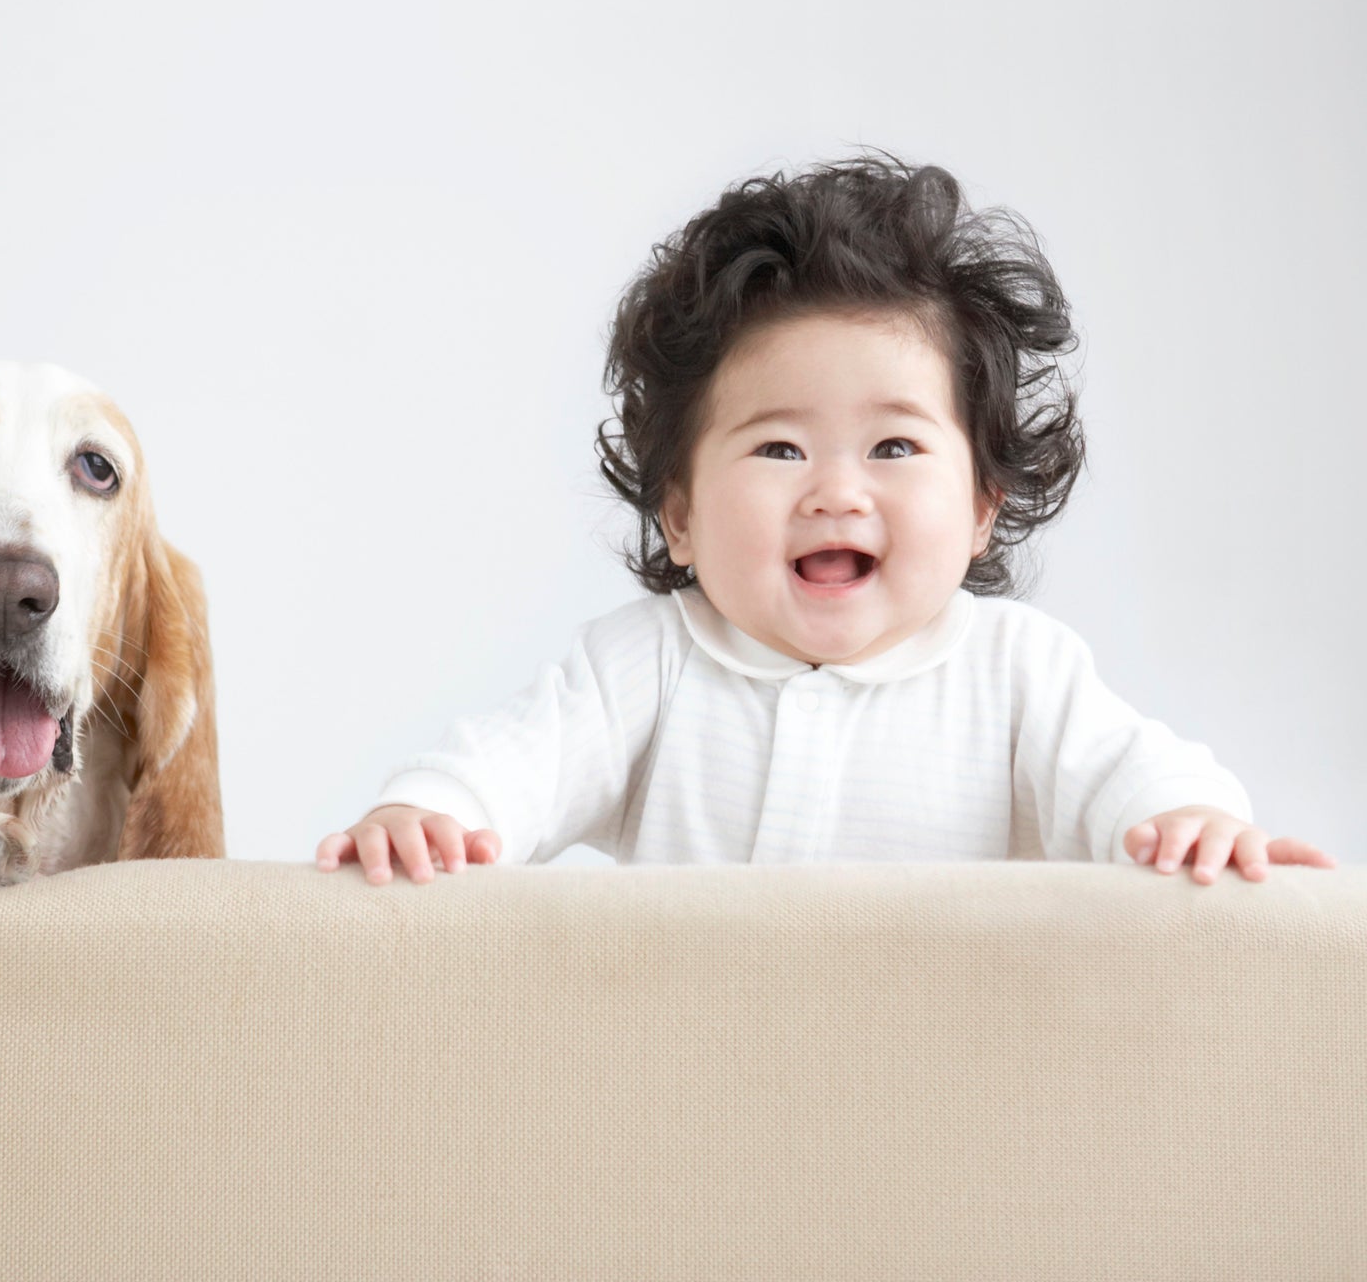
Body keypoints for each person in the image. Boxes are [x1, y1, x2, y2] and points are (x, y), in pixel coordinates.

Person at [316, 151, 1337, 887]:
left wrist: (1189, 822)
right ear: (677, 514)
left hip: (947, 1103)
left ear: (985, 502)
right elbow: (518, 760)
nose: (836, 493)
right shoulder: (648, 668)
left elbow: (1128, 770)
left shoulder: (1017, 675)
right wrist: (433, 814)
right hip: (691, 1097)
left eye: (894, 447)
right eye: (778, 448)